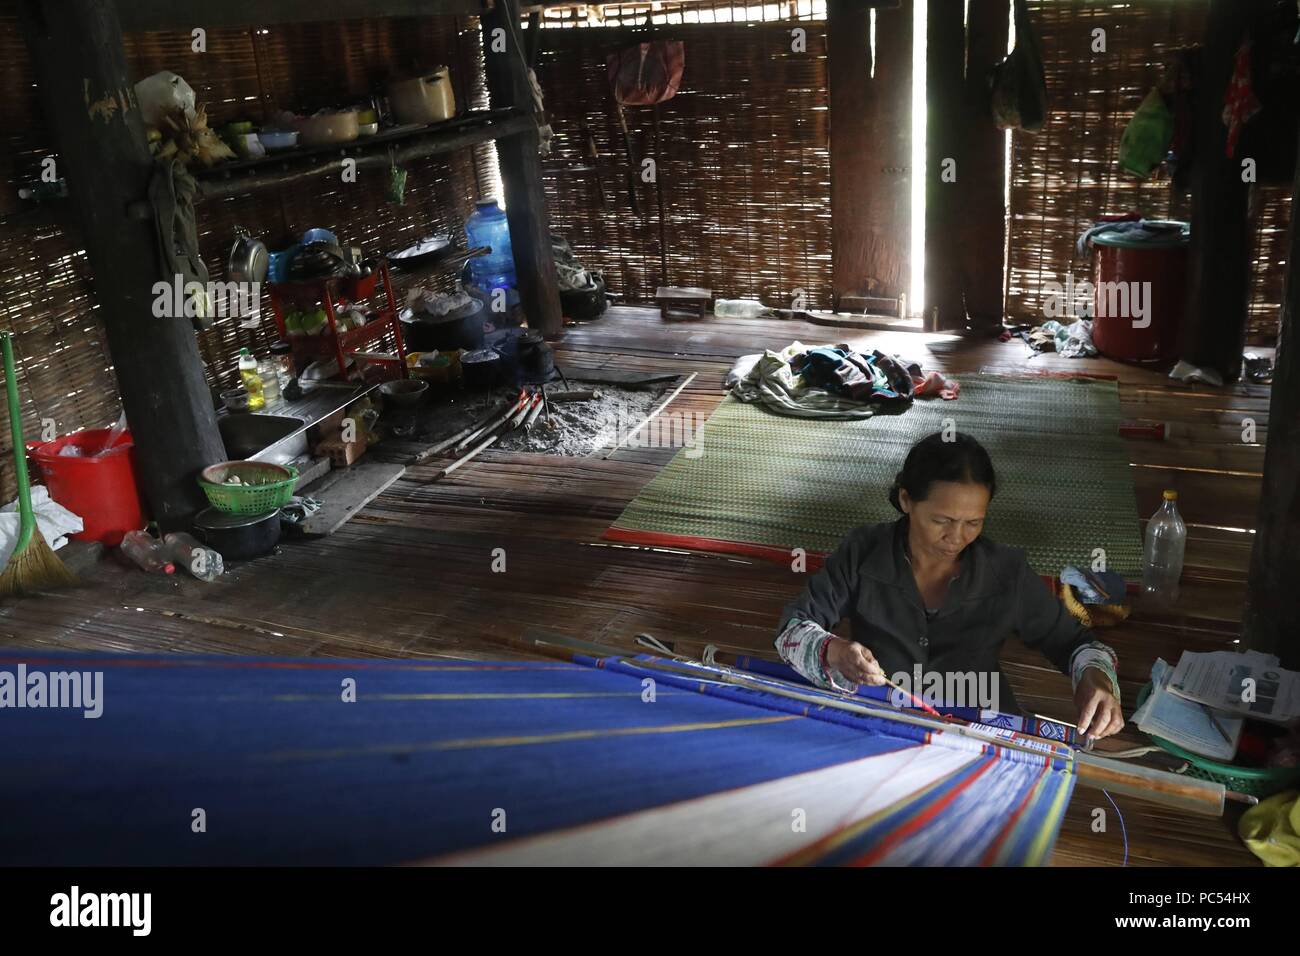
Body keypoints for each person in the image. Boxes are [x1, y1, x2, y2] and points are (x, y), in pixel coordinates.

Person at [775, 431, 1125, 739]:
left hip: (979, 726)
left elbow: (1077, 644)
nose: (956, 538)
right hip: (881, 719)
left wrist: (1095, 677)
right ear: (906, 500)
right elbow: (792, 630)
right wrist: (834, 651)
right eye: (941, 520)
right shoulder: (864, 552)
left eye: (973, 522)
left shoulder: (1006, 572)